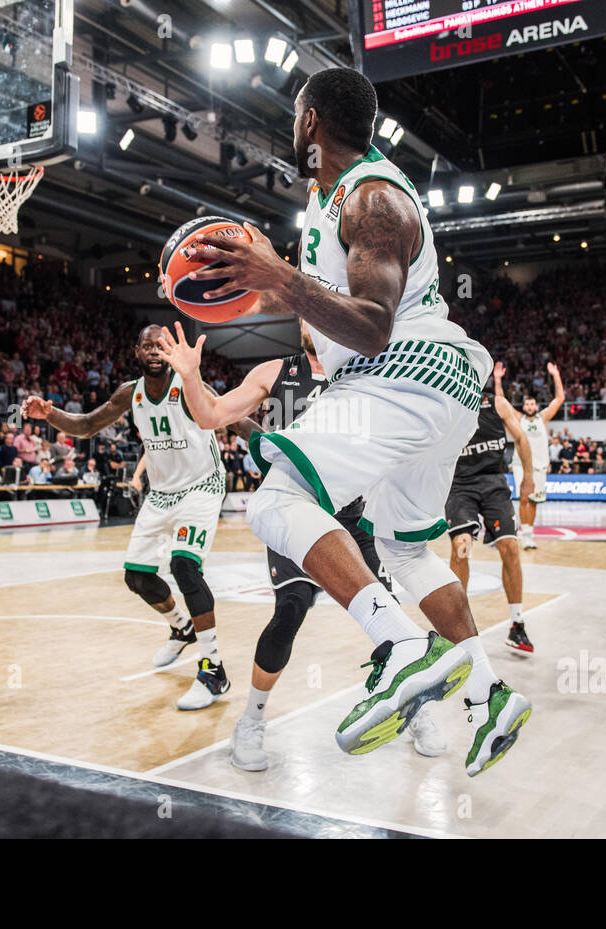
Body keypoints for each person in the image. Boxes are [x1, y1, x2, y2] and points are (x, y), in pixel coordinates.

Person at [182, 67, 530, 775]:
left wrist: (278, 278)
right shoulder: (328, 200)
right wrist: (267, 287)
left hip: (405, 371)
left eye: (294, 114)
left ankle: (401, 647)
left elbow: (372, 326)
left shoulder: (373, 197)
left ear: (310, 120)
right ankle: (488, 697)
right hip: (431, 387)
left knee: (276, 500)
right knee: (405, 549)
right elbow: (338, 309)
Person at [160, 319, 443, 770]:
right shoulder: (276, 372)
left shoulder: (364, 370)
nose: (315, 323)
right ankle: (250, 720)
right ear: (301, 322)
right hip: (293, 506)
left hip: (353, 514)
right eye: (307, 317)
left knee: (388, 612)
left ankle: (415, 707)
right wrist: (191, 376)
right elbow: (211, 416)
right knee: (289, 609)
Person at [24, 325, 243, 710]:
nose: (155, 351)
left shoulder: (188, 383)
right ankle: (182, 626)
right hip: (161, 493)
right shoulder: (130, 392)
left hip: (202, 485)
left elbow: (231, 415)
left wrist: (273, 449)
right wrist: (51, 414)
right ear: (137, 352)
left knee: (184, 567)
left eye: (161, 345)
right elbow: (88, 424)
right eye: (148, 345)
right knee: (137, 577)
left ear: (170, 350)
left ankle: (214, 671)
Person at [444, 363, 535, 654]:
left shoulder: (495, 403)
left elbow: (521, 438)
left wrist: (528, 478)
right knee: (462, 545)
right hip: (460, 485)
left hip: (494, 482)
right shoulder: (446, 406)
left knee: (510, 547)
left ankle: (517, 624)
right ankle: (458, 626)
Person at [503, 361, 563, 550]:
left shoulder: (542, 418)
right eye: (527, 404)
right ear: (524, 406)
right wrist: (498, 380)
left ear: (536, 405)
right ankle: (525, 533)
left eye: (532, 404)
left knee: (535, 500)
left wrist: (555, 375)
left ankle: (530, 532)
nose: (529, 406)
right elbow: (502, 403)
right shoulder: (519, 418)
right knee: (524, 498)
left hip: (539, 466)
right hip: (521, 464)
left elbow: (559, 398)